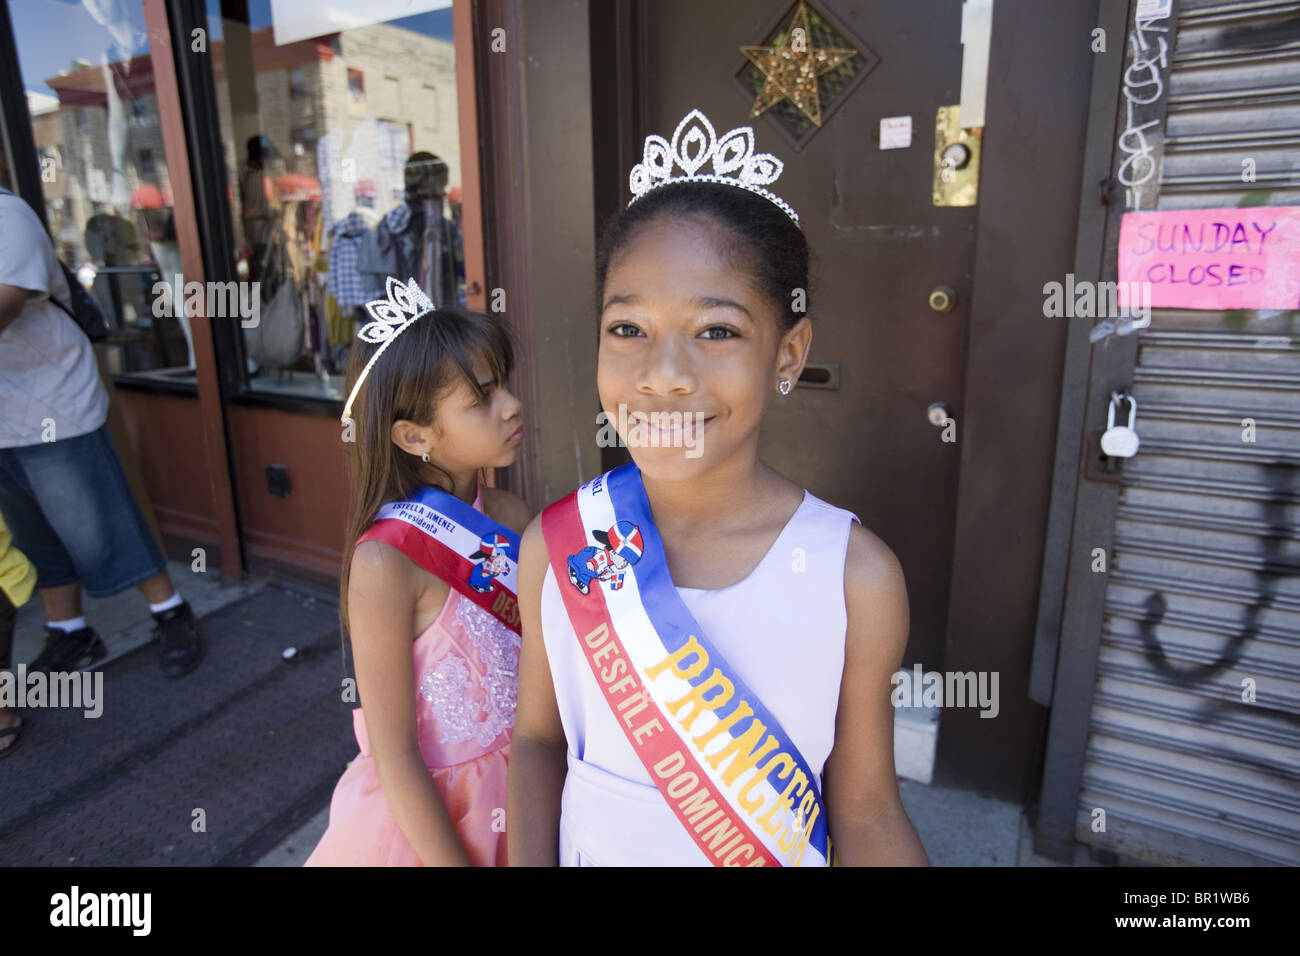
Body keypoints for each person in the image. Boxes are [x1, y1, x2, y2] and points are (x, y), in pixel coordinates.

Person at [508, 109, 930, 866]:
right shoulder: (558, 546)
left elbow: (865, 812)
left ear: (790, 353)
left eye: (717, 331)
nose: (664, 374)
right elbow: (539, 743)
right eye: (628, 329)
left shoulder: (854, 577)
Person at [305, 277, 530, 866]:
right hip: (432, 818)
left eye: (504, 384)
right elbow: (394, 750)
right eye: (482, 398)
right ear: (413, 435)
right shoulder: (386, 560)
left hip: (526, 787)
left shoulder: (511, 516)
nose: (511, 405)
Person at [0, 186, 205, 679]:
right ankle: (70, 630)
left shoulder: (7, 214)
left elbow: (6, 299)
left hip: (51, 399)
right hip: (5, 415)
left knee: (99, 520)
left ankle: (171, 611)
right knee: (35, 533)